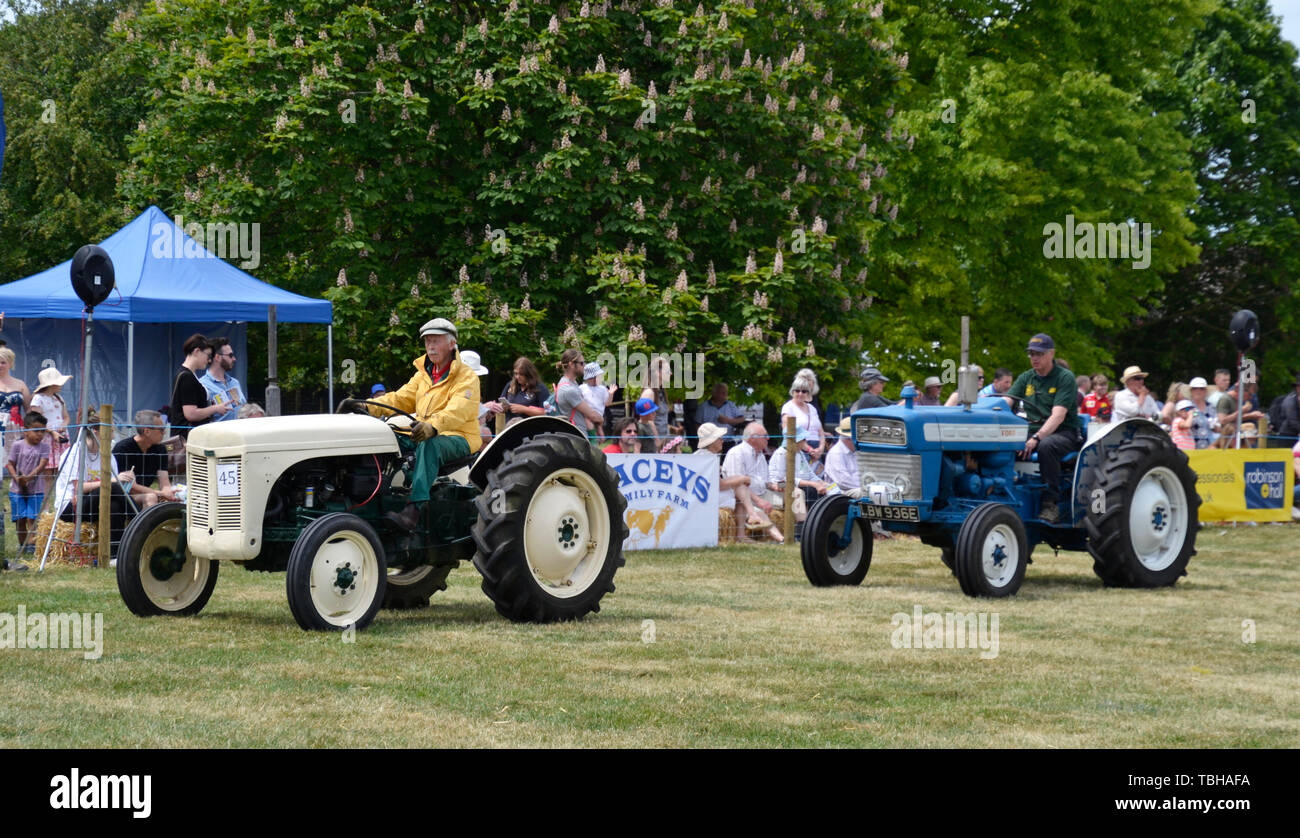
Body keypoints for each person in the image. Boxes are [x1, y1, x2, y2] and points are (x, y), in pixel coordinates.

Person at [347, 317, 482, 530]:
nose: (430, 346)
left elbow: (458, 410)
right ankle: (372, 498)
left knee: (430, 445)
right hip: (425, 431)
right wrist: (367, 406)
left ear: (451, 344)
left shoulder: (467, 378)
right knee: (388, 438)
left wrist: (433, 426)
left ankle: (414, 510)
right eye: (428, 341)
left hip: (458, 437)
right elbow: (399, 398)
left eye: (436, 340)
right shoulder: (423, 375)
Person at [1007, 333, 1083, 524]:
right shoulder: (1026, 378)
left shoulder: (1064, 377)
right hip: (1032, 430)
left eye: (1039, 354)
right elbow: (1007, 401)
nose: (1034, 358)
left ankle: (1051, 505)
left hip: (1064, 432)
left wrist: (1037, 438)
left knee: (1047, 446)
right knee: (1002, 441)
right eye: (1031, 353)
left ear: (1051, 354)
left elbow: (1058, 416)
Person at [55, 427, 133, 560]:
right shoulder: (75, 453)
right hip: (70, 507)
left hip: (94, 505)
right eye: (111, 431)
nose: (113, 436)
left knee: (115, 505)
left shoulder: (108, 455)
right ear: (96, 432)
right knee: (111, 486)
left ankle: (115, 556)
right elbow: (78, 488)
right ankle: (138, 517)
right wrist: (111, 481)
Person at [719, 422, 783, 543]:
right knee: (759, 512)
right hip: (746, 499)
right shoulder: (737, 453)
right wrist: (760, 501)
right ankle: (783, 539)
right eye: (764, 436)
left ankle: (801, 532)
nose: (768, 438)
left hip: (763, 493)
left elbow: (765, 481)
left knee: (794, 495)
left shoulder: (761, 455)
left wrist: (775, 486)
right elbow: (737, 485)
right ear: (753, 438)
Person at [7, 411, 51, 560]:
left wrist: (29, 477)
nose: (40, 434)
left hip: (36, 490)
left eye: (42, 431)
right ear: (26, 430)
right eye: (36, 430)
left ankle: (32, 545)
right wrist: (17, 478)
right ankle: (22, 545)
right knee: (20, 519)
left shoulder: (44, 447)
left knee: (33, 518)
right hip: (17, 490)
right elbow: (10, 464)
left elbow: (42, 465)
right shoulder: (17, 445)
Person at [112, 409, 178, 508]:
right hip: (122, 495)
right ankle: (147, 524)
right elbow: (131, 487)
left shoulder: (160, 449)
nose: (164, 433)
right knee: (151, 497)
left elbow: (164, 481)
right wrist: (160, 493)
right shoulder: (123, 448)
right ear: (147, 431)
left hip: (144, 493)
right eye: (161, 429)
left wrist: (169, 492)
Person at [170, 333, 230, 437]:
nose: (209, 360)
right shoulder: (187, 377)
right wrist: (215, 409)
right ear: (197, 351)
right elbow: (191, 414)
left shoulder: (187, 374)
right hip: (187, 439)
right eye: (208, 355)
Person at [767, 428, 830, 511]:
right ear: (798, 441)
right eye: (804, 439)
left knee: (823, 489)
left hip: (797, 484)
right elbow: (784, 479)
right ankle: (807, 521)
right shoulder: (781, 453)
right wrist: (813, 484)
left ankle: (816, 518)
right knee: (810, 490)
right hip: (778, 485)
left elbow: (809, 473)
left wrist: (820, 482)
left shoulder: (799, 453)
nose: (805, 442)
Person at [553, 349, 604, 441]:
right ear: (571, 364)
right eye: (582, 363)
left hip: (577, 435)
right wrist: (601, 420)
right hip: (577, 437)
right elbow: (593, 415)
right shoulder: (569, 390)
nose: (584, 366)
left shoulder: (571, 383)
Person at [486, 356, 550, 427]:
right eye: (516, 374)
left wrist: (524, 409)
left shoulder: (540, 388)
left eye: (521, 374)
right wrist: (501, 407)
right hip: (510, 427)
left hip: (532, 428)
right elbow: (501, 403)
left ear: (529, 374)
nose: (518, 377)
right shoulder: (510, 385)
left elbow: (547, 412)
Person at [199, 337, 247, 422]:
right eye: (230, 355)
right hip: (218, 434)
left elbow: (244, 408)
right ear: (217, 357)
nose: (234, 359)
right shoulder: (202, 385)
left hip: (240, 433)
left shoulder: (235, 382)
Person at [31, 365, 72, 464]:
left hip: (61, 434)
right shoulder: (38, 399)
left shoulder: (59, 398)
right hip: (46, 436)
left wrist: (63, 425)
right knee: (48, 468)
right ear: (52, 384)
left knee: (62, 465)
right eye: (59, 383)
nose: (61, 385)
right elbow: (37, 421)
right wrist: (52, 432)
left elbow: (66, 417)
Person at [780, 368, 825, 458]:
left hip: (816, 451)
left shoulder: (812, 408)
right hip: (799, 451)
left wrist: (821, 448)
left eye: (804, 391)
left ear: (808, 393)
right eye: (797, 390)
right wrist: (809, 449)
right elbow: (788, 432)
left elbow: (821, 432)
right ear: (792, 391)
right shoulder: (788, 407)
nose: (800, 393)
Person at [0, 346, 32, 451]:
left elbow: (28, 410)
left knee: (14, 461)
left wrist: (29, 429)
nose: (0, 365)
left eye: (3, 362)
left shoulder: (20, 384)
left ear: (10, 364)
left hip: (15, 428)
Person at [580, 361, 615, 439]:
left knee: (599, 432)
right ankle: (594, 438)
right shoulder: (582, 388)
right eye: (593, 377)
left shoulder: (602, 389)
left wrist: (611, 394)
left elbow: (607, 404)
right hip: (587, 414)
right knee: (588, 421)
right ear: (588, 378)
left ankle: (598, 435)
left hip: (598, 415)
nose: (596, 379)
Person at [823, 417, 859, 492]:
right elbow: (843, 481)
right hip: (840, 493)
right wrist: (865, 489)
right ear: (849, 439)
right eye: (858, 438)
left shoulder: (855, 452)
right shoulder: (836, 453)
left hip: (854, 489)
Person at [1186, 377, 1215, 448]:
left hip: (1210, 446)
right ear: (1191, 391)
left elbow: (1218, 427)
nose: (1198, 391)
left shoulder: (1211, 407)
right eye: (1195, 388)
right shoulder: (1186, 407)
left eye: (1201, 388)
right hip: (1191, 446)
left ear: (1206, 391)